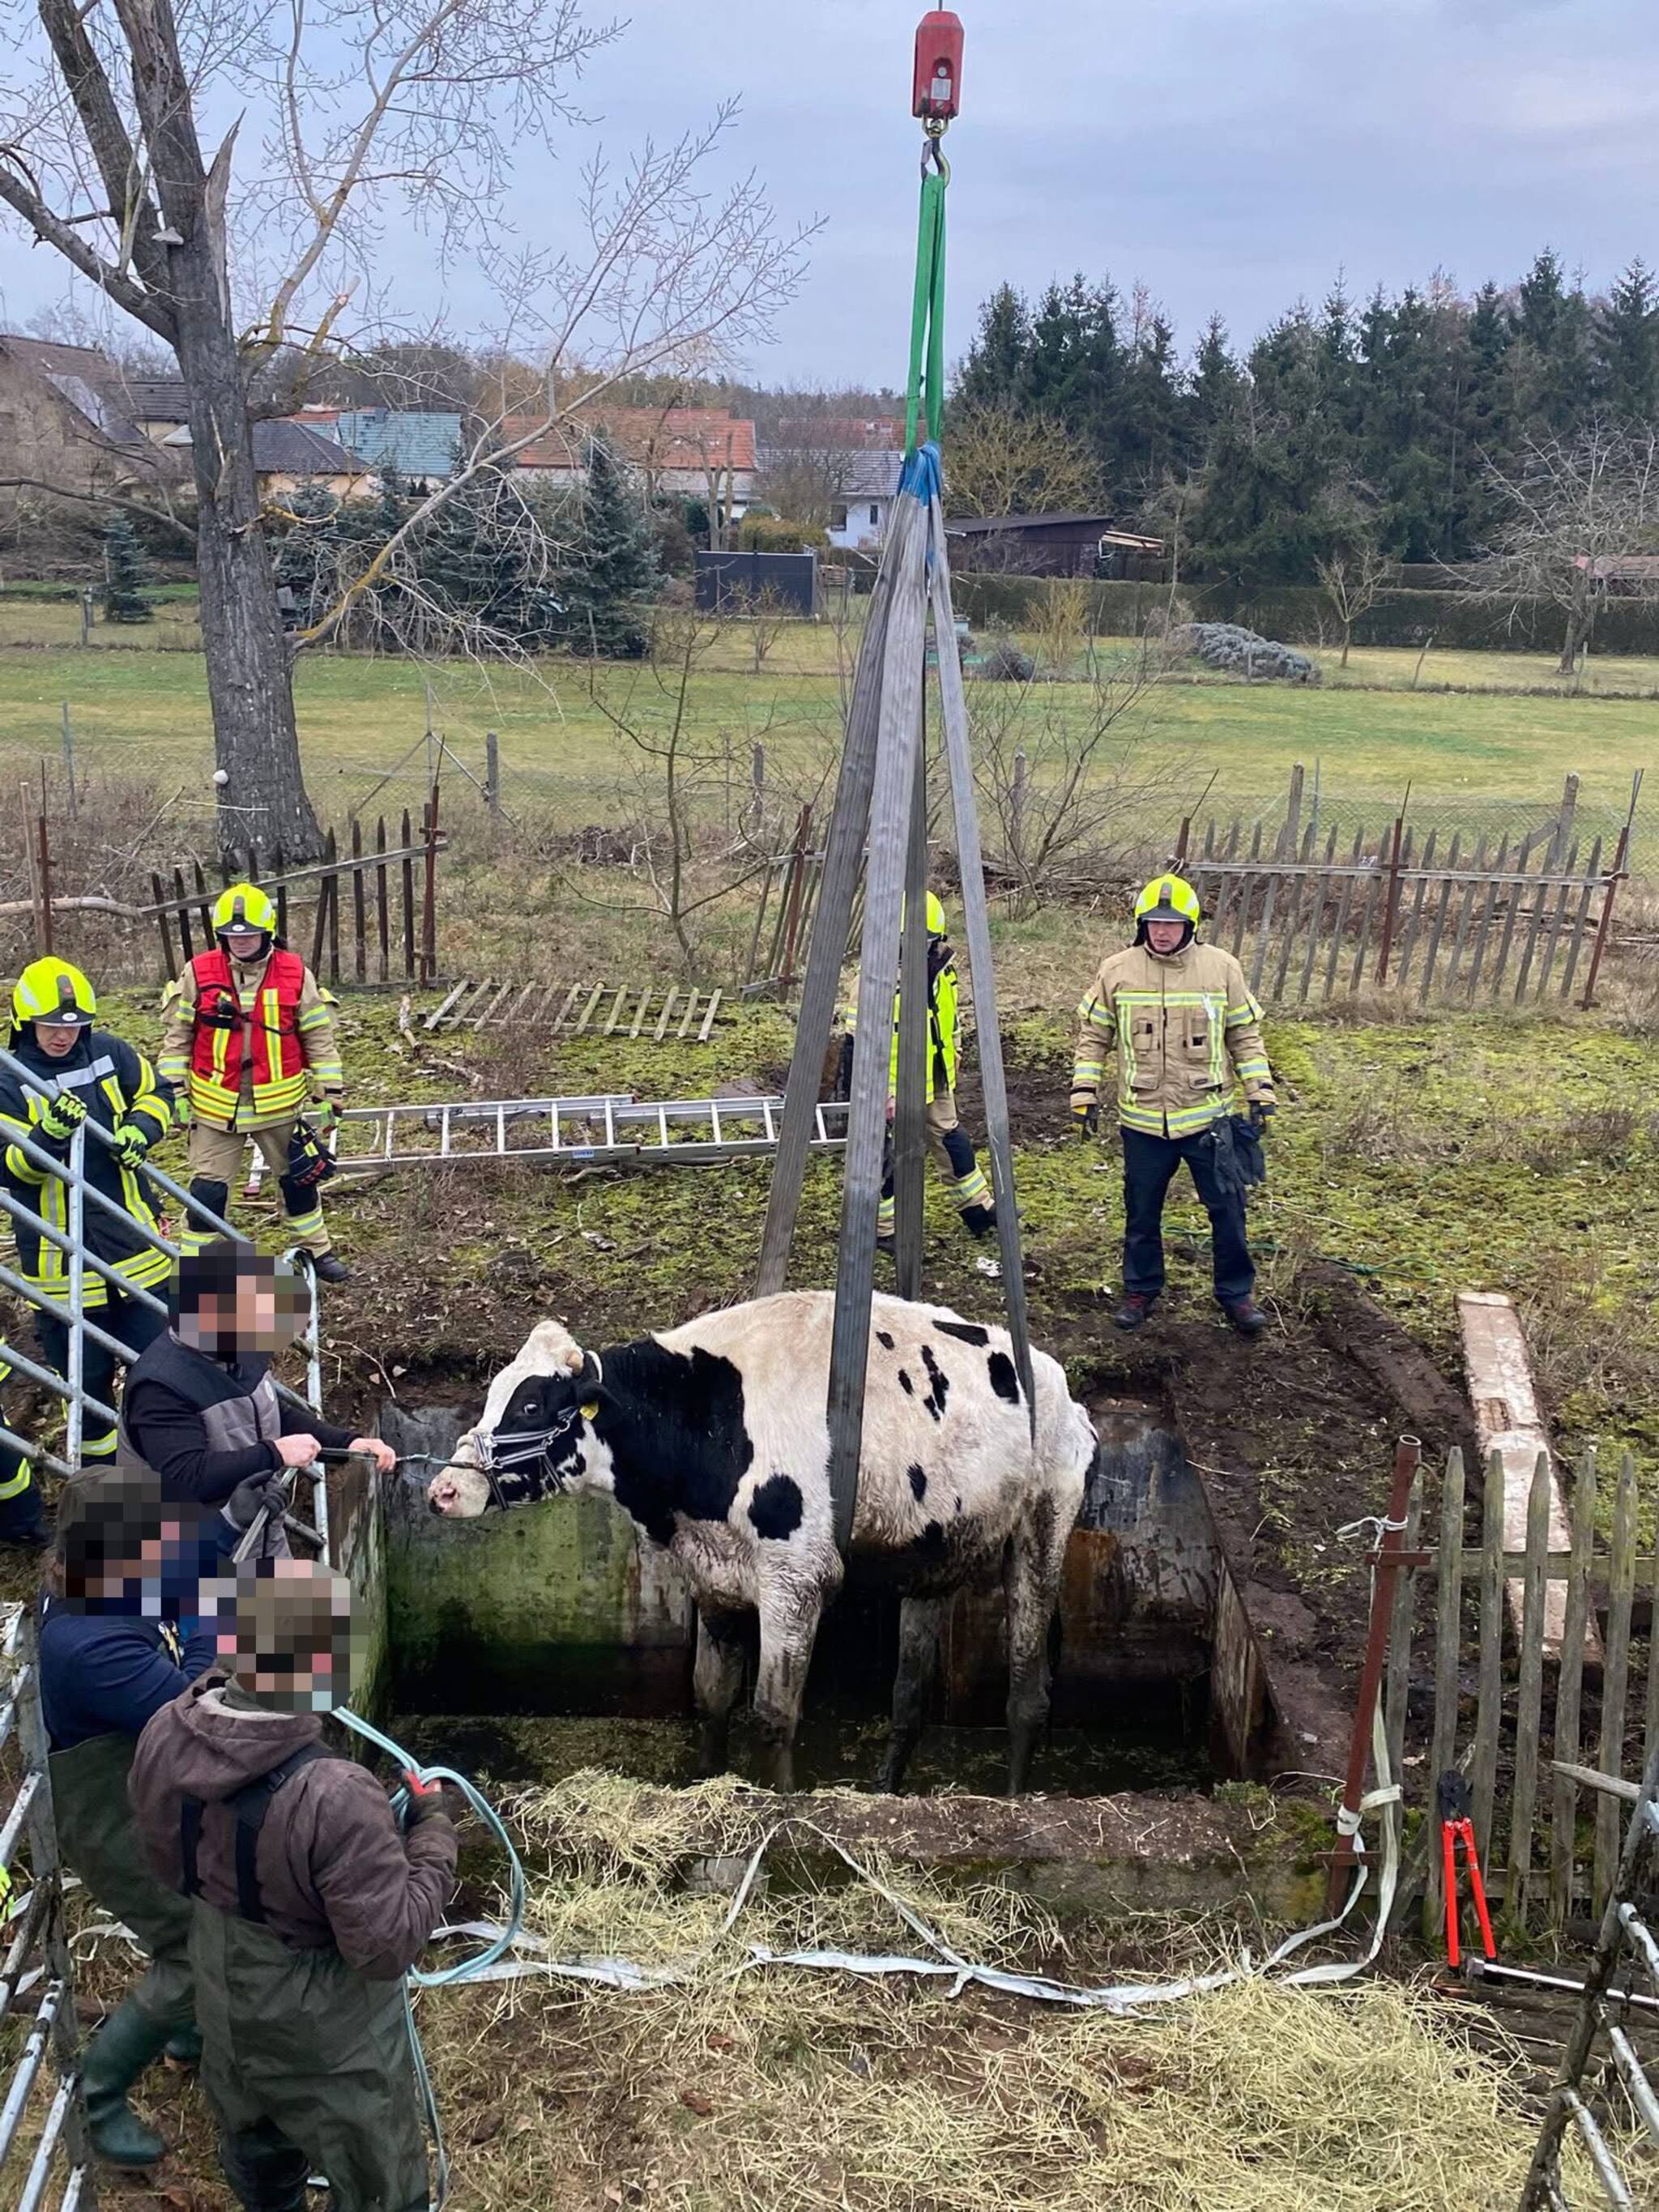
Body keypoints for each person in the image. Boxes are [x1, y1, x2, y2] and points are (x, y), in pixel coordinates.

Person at [129, 1557, 460, 2212]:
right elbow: (386, 1946)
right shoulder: (334, 1793)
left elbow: (162, 1859)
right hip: (320, 2017)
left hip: (222, 1971)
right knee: (375, 2166)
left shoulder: (167, 1729)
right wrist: (432, 1831)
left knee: (250, 2123)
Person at [40, 1470, 220, 2165]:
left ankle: (190, 2033)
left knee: (204, 1914)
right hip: (104, 1810)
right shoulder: (91, 1647)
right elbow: (196, 1709)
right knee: (192, 1947)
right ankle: (96, 2098)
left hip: (138, 1782)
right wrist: (211, 1621)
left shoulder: (94, 1583)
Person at [1071, 874, 1277, 1338]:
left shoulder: (1222, 968)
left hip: (1210, 1119)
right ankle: (1140, 1291)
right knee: (1141, 1213)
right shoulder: (1116, 970)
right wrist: (1083, 1092)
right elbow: (1093, 1037)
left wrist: (1260, 1091)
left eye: (1172, 923)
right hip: (1143, 1122)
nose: (1162, 931)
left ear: (1192, 925)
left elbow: (1244, 1036)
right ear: (1141, 924)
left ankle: (1236, 1295)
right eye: (1154, 922)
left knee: (1228, 1212)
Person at [0, 957, 173, 1498]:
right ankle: (103, 1494)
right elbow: (10, 1169)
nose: (62, 1034)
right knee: (86, 1389)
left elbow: (158, 1092)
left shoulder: (111, 1053)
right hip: (62, 1267)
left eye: (73, 1024)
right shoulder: (7, 1080)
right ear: (25, 1021)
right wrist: (47, 1135)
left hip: (136, 1251)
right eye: (51, 1024)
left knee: (166, 1371)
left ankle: (172, 1476)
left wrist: (141, 1129)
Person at [118, 1242, 395, 1559]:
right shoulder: (160, 1387)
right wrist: (273, 1454)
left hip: (261, 1534)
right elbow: (188, 1477)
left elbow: (273, 1413)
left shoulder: (236, 1351)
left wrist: (349, 1444)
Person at [157, 881, 351, 1284]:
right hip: (214, 1106)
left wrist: (330, 1092)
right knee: (208, 1193)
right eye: (232, 934)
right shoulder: (198, 972)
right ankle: (193, 1266)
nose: (240, 941)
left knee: (299, 1181)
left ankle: (317, 1251)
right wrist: (173, 1090)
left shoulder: (295, 972)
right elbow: (179, 1036)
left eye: (249, 934)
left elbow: (318, 1035)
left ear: (267, 932)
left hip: (279, 1105)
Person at [845, 893, 996, 1252]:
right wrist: (879, 1094)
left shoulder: (943, 972)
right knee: (885, 1158)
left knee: (953, 1143)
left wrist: (955, 1052)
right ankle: (881, 1230)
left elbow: (950, 1019)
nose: (922, 948)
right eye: (913, 941)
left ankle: (979, 1210)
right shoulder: (874, 981)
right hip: (891, 1088)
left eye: (927, 941)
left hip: (935, 1078)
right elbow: (857, 1044)